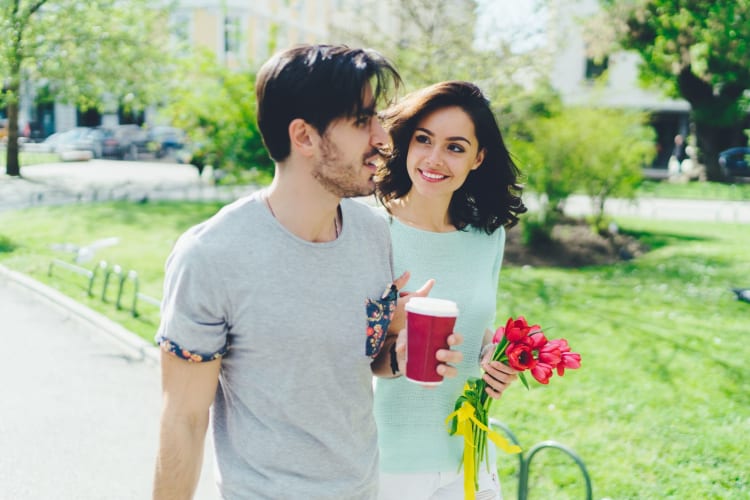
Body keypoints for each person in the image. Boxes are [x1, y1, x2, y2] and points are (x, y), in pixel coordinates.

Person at [152, 45, 464, 500]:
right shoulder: (212, 255)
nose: (382, 136)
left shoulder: (373, 233)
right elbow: (183, 420)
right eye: (362, 121)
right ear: (304, 136)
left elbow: (358, 363)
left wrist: (399, 348)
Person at [373, 81, 527, 499]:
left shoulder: (487, 237)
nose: (434, 159)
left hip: (469, 458)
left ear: (478, 158)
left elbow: (477, 337)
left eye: (455, 147)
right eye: (424, 140)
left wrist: (495, 364)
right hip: (386, 462)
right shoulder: (368, 229)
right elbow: (340, 351)